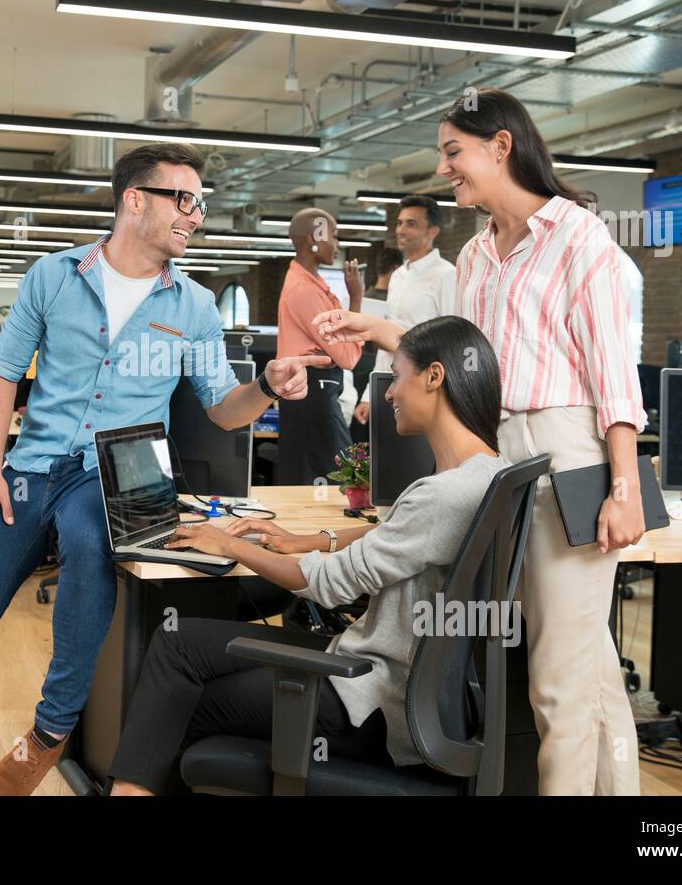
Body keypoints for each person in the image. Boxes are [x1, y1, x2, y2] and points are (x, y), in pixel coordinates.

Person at [0, 143, 331, 796]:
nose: (196, 216)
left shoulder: (194, 306)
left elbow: (223, 410)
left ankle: (50, 730)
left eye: (200, 203)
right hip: (33, 465)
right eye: (184, 200)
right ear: (135, 200)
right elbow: (0, 375)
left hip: (129, 472)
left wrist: (267, 385)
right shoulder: (52, 277)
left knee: (85, 536)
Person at [313, 87, 647, 796]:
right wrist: (379, 332)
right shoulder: (474, 258)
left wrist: (623, 487)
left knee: (558, 679)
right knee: (579, 666)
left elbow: (615, 377)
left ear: (501, 146)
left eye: (453, 152)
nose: (445, 170)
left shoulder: (579, 236)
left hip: (569, 456)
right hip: (498, 461)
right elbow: (463, 360)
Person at [105, 316, 510, 795]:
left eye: (397, 377)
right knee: (178, 645)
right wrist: (314, 539)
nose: (389, 393)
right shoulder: (489, 474)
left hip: (368, 700)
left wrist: (229, 544)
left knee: (182, 699)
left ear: (435, 377)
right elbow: (401, 542)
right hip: (397, 684)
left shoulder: (441, 495)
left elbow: (329, 585)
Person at [276, 208, 364, 486]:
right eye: (333, 236)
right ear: (314, 238)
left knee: (320, 476)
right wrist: (357, 301)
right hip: (313, 395)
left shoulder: (313, 285)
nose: (337, 244)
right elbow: (347, 356)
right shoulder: (305, 291)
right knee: (338, 479)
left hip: (315, 393)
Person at [353, 195, 455, 426]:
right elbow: (385, 336)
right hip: (389, 382)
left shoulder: (446, 274)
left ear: (433, 231)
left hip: (425, 386)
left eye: (411, 223)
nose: (401, 230)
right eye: (399, 223)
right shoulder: (398, 276)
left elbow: (451, 341)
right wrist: (369, 395)